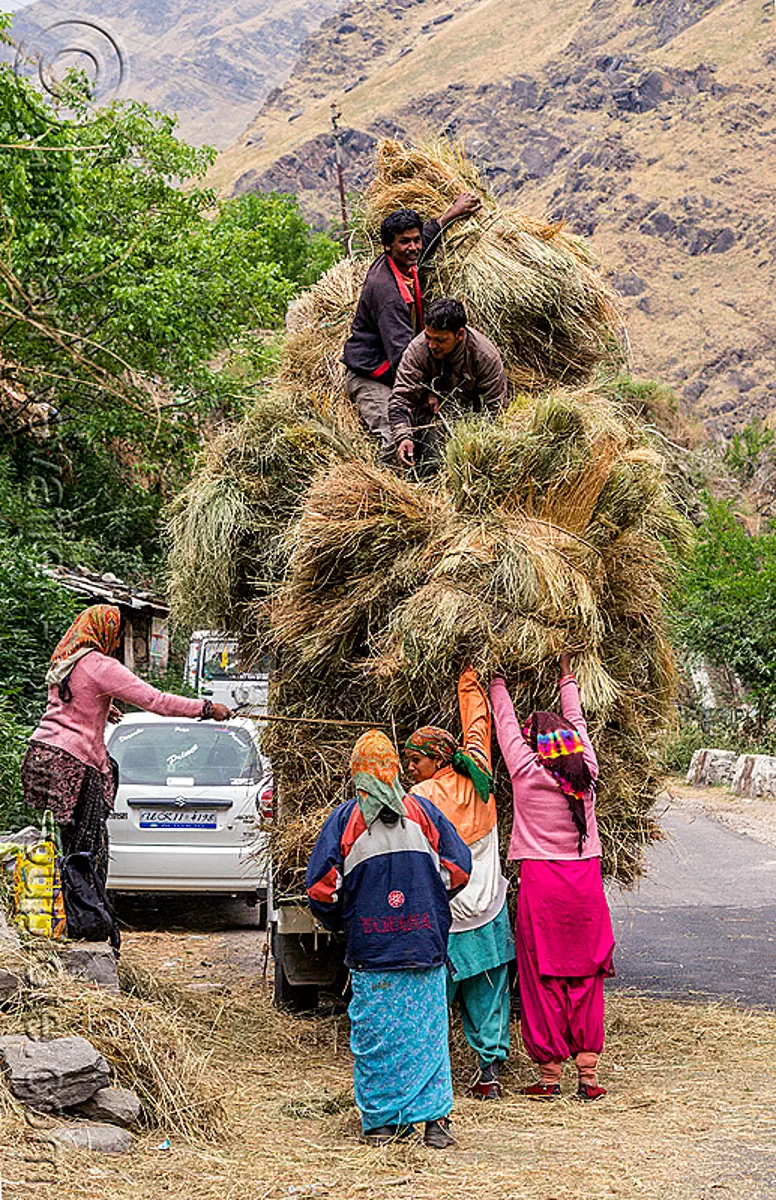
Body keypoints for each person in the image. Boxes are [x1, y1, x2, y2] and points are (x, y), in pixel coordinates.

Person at [306, 729, 472, 1148]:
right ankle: (434, 1124)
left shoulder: (346, 820)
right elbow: (460, 868)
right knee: (427, 1037)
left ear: (356, 776)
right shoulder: (424, 813)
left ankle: (382, 1123)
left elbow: (320, 889)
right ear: (396, 771)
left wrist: (345, 919)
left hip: (372, 952)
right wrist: (430, 900)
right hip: (424, 948)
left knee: (377, 1037)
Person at [21, 604, 232, 895]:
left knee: (55, 843)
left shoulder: (64, 660)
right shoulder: (101, 666)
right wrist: (206, 708)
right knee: (83, 849)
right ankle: (81, 915)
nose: (118, 642)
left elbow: (68, 705)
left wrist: (103, 709)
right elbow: (156, 701)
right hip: (74, 761)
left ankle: (50, 908)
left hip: (42, 756)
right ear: (102, 632)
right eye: (116, 634)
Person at [489, 654, 615, 1101]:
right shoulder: (588, 775)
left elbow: (503, 722)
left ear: (536, 746)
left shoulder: (526, 773)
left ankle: (548, 1076)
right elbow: (578, 723)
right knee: (585, 977)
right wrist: (567, 675)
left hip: (541, 885)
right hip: (585, 885)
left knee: (542, 977)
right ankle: (588, 1076)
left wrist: (496, 678)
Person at [404, 667, 514, 1101]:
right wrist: (469, 679)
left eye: (417, 759)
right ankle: (489, 1074)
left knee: (433, 999)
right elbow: (478, 728)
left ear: (437, 760)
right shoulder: (479, 778)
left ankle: (429, 1072)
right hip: (489, 912)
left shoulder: (422, 798)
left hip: (445, 918)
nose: (411, 766)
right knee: (489, 993)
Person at [342, 196, 481, 460]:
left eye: (415, 240)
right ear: (387, 246)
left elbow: (425, 239)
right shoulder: (387, 293)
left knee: (432, 430)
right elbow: (401, 354)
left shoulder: (405, 262)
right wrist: (426, 391)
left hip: (396, 365)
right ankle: (387, 493)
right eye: (404, 242)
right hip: (372, 373)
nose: (413, 247)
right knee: (394, 436)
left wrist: (451, 213)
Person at [391, 298, 508, 474]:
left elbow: (495, 411)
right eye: (428, 337)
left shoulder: (485, 357)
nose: (431, 345)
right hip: (431, 417)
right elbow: (401, 397)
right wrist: (403, 437)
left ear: (459, 335)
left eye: (440, 340)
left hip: (471, 423)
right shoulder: (417, 350)